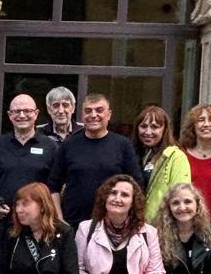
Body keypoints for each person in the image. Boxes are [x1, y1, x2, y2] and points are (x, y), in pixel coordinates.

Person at [48, 93, 141, 227]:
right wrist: (60, 220)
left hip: (112, 225)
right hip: (73, 225)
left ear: (109, 114)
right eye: (88, 111)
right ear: (82, 115)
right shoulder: (69, 145)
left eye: (99, 110)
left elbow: (136, 186)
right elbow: (53, 187)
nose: (93, 115)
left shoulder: (123, 145)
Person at [0, 94, 58, 226]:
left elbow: (56, 186)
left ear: (36, 114)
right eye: (16, 111)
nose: (21, 115)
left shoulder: (50, 147)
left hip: (38, 222)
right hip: (4, 220)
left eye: (27, 111)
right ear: (9, 115)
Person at [134, 104, 191, 221]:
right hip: (139, 223)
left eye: (154, 127)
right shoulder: (139, 155)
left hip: (163, 224)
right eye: (143, 126)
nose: (148, 132)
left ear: (165, 130)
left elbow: (181, 194)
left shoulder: (176, 157)